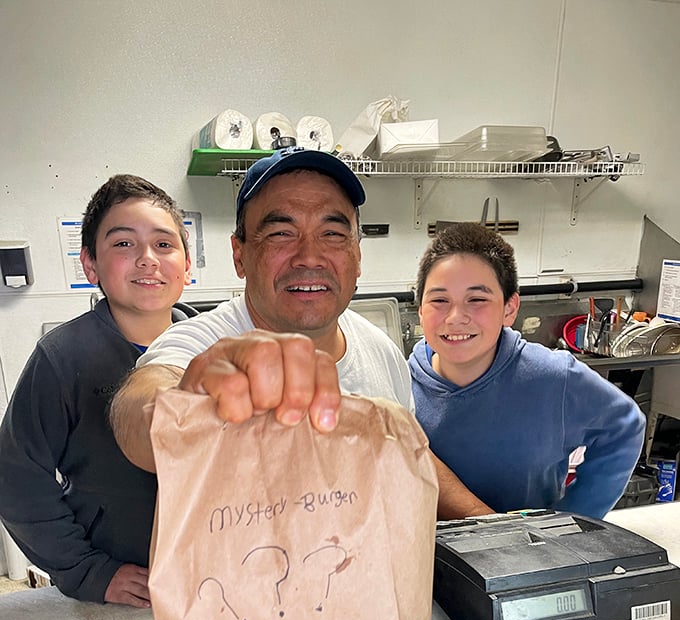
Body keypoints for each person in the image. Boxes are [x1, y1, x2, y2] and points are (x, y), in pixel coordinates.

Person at [110, 147, 490, 519]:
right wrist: (190, 402)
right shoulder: (203, 342)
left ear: (358, 256)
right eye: (280, 233)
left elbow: (411, 455)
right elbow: (141, 407)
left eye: (332, 234)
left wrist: (492, 524)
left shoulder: (382, 350)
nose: (309, 256)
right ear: (240, 256)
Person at [0, 174, 194, 606]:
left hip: (212, 579)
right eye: (124, 244)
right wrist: (89, 571)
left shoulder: (217, 350)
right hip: (123, 589)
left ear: (187, 264)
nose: (147, 259)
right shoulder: (62, 357)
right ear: (90, 265)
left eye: (164, 245)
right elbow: (15, 478)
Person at [408, 222, 646, 519]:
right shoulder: (400, 386)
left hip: (529, 560)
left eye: (477, 299)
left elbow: (625, 426)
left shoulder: (553, 378)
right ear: (420, 309)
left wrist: (572, 519)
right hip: (426, 560)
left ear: (509, 308)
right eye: (440, 300)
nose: (456, 318)